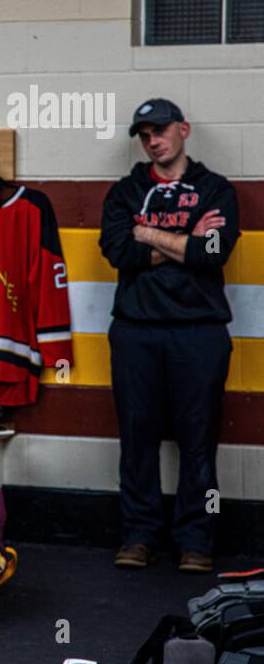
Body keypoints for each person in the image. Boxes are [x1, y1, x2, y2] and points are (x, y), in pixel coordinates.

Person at [100, 98, 239, 574]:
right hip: (136, 331)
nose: (152, 141)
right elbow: (118, 250)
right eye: (144, 134)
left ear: (183, 129)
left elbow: (212, 254)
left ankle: (197, 540)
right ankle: (138, 536)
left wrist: (148, 234)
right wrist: (184, 240)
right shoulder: (126, 191)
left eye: (160, 130)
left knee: (200, 440)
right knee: (136, 438)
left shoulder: (215, 189)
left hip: (199, 332)